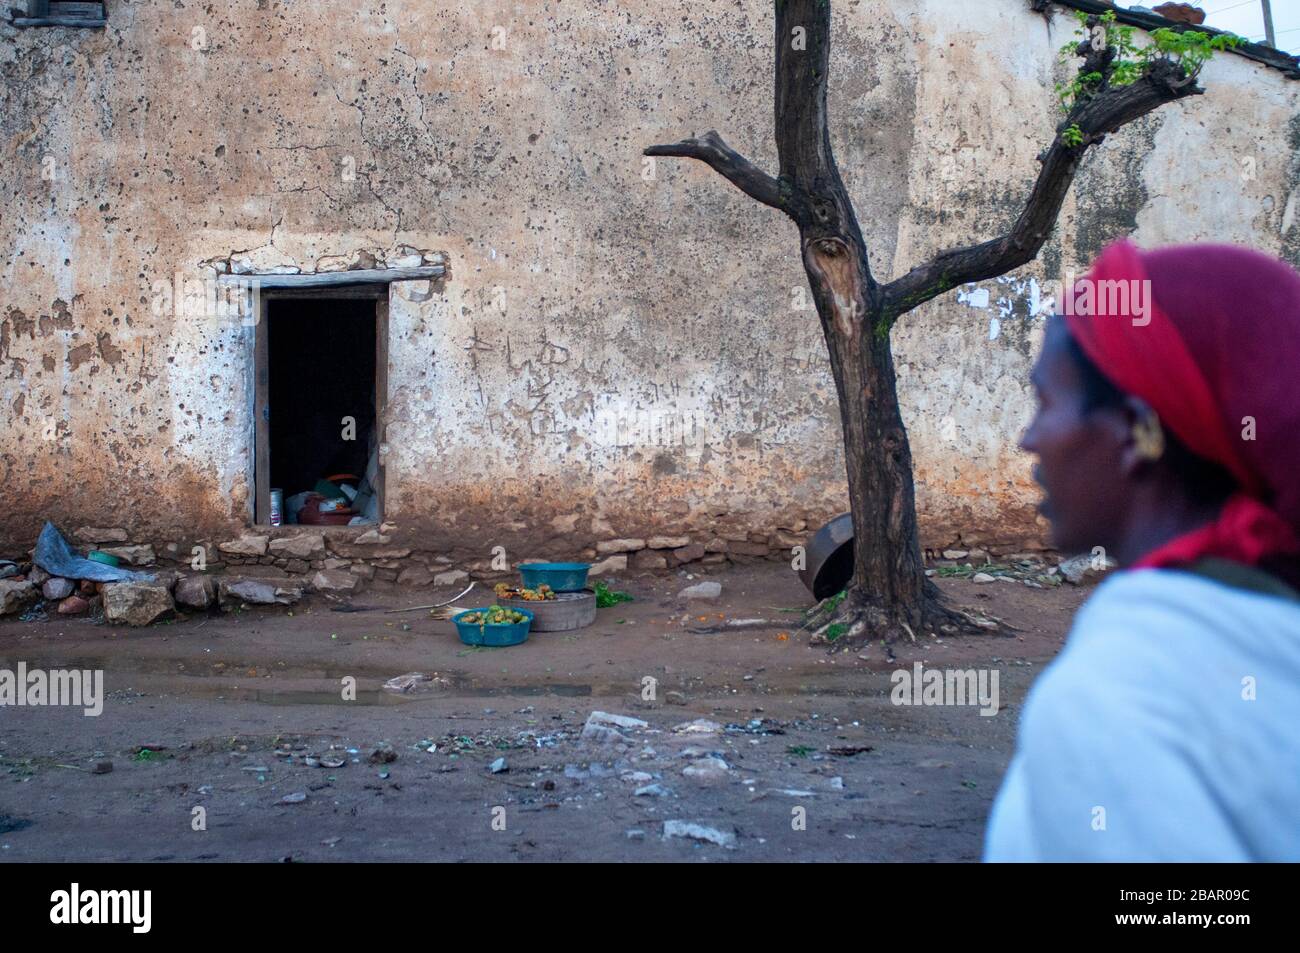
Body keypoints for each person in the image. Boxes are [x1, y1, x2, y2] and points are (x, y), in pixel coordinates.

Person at [984, 240, 1300, 861]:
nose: (1029, 439)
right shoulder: (1268, 632)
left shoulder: (1115, 701)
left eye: (1047, 401)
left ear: (1138, 432)